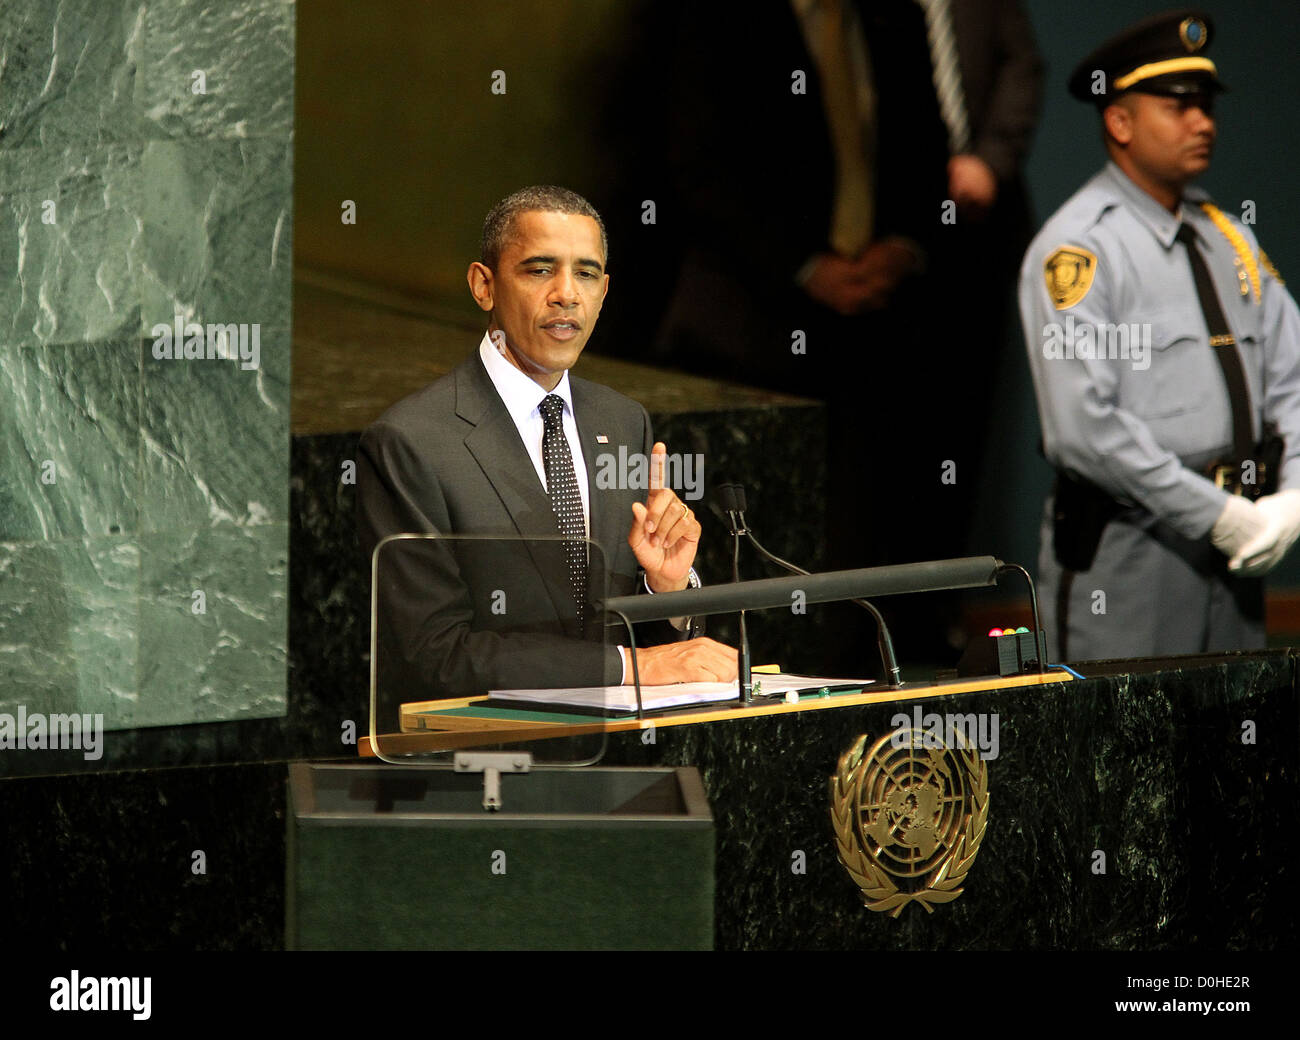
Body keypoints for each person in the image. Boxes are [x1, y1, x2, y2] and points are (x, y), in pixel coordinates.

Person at [357, 186, 737, 698]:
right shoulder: (411, 443)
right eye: (539, 270)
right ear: (483, 286)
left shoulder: (624, 422)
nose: (566, 293)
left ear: (604, 290)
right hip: (491, 760)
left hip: (622, 756)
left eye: (585, 273)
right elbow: (432, 656)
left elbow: (645, 642)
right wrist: (629, 667)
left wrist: (664, 588)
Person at [1020, 11, 1300, 662]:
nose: (1203, 122)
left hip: (1242, 550)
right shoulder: (1080, 250)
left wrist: (1290, 498)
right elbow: (1083, 428)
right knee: (1122, 752)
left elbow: (1290, 375)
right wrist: (1222, 517)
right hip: (1130, 556)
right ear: (1119, 122)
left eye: (1205, 106)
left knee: (1230, 747)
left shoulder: (1230, 238)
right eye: (1178, 106)